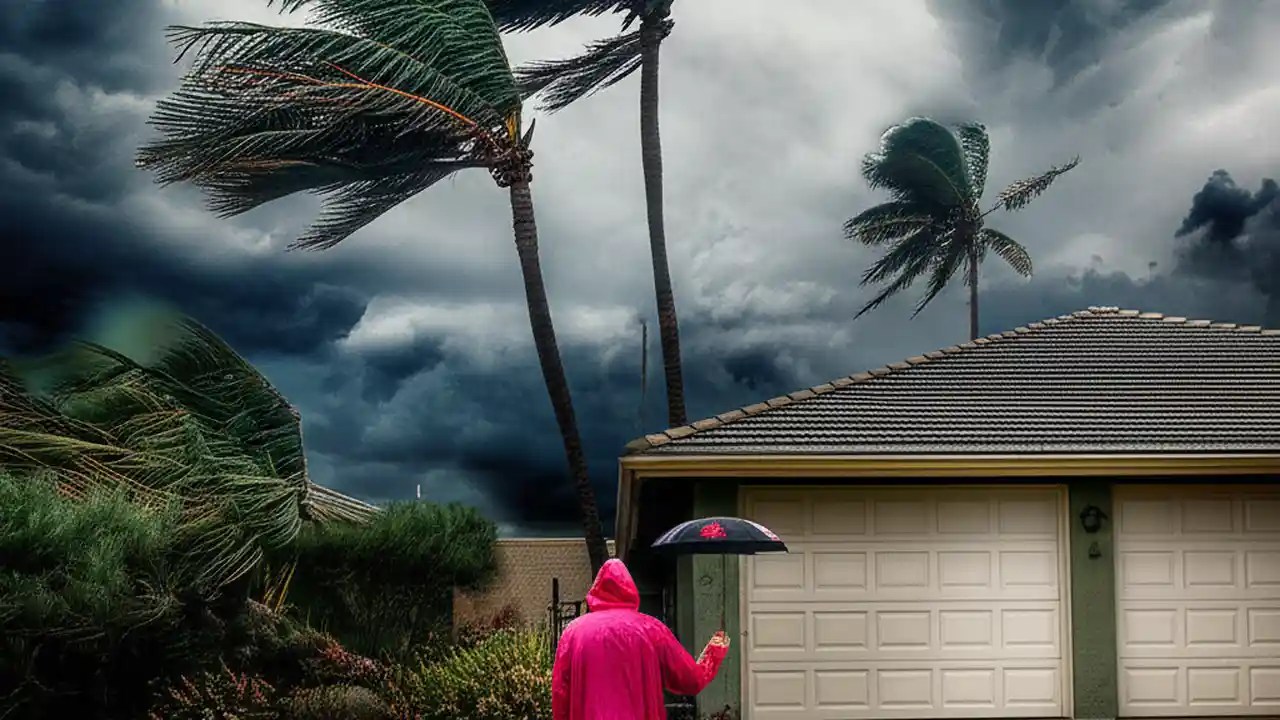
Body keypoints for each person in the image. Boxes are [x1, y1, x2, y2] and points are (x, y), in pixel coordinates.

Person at [552, 558, 730, 720]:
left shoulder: (573, 633)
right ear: (630, 589)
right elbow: (690, 680)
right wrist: (714, 653)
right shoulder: (651, 629)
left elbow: (560, 692)